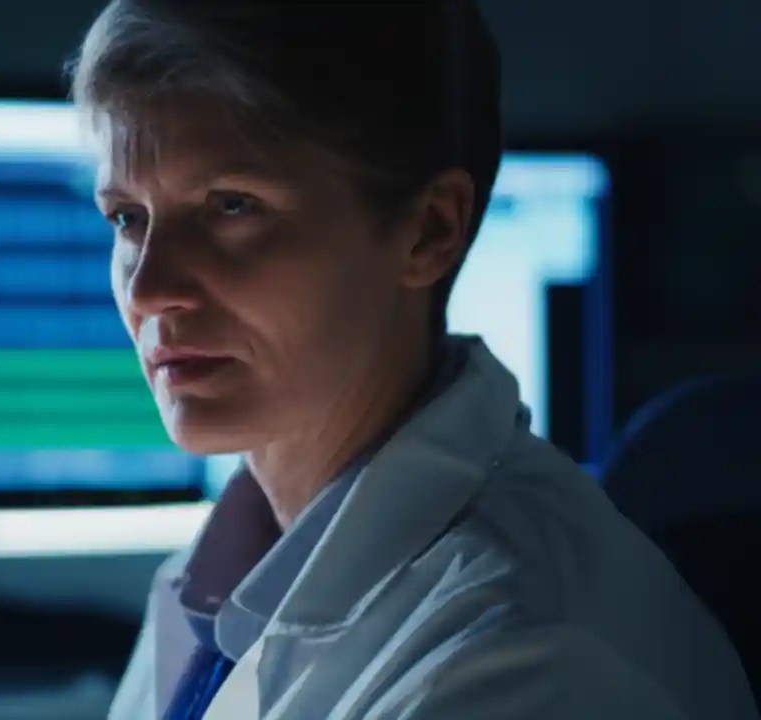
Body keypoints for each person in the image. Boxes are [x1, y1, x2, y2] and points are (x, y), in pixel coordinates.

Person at [66, 1, 758, 718]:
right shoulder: (215, 586)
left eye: (231, 206)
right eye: (128, 218)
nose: (150, 289)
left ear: (429, 231)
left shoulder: (527, 665)